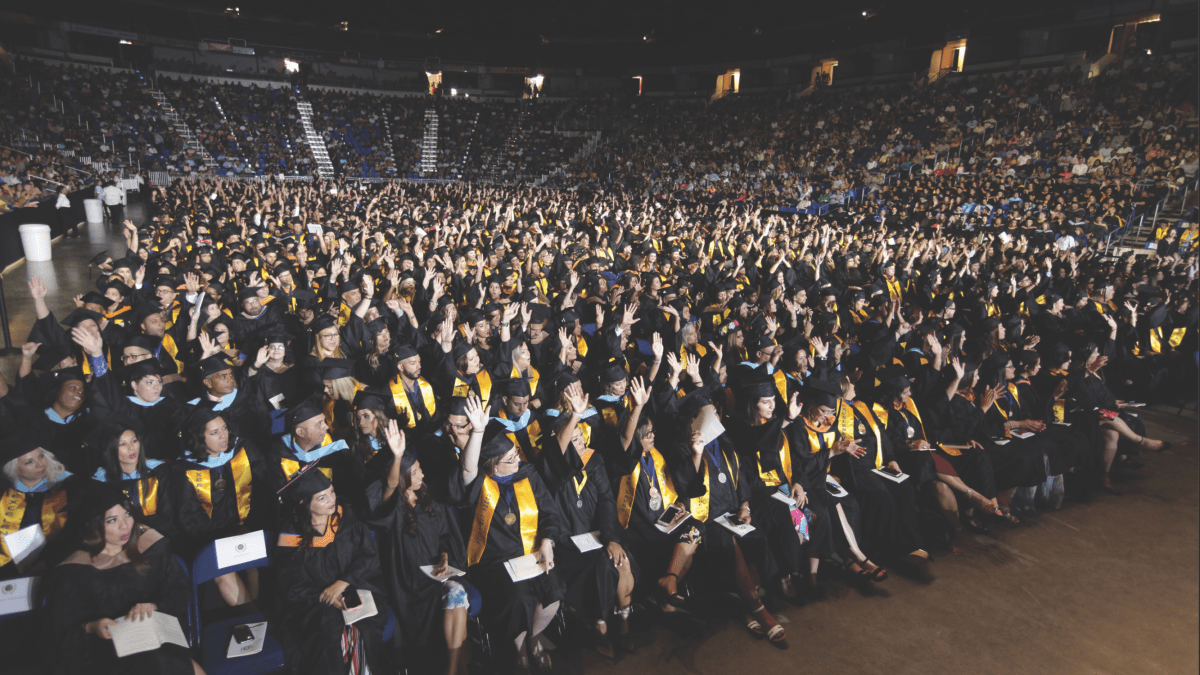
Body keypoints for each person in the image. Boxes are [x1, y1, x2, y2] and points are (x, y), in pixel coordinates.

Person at [40, 484, 201, 675]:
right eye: (112, 520)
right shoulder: (74, 571)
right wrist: (91, 627)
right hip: (103, 652)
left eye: (127, 514)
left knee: (172, 662)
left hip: (155, 638)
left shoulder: (150, 548)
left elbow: (177, 589)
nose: (124, 525)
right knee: (164, 663)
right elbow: (60, 631)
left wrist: (154, 605)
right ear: (92, 526)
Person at [461, 432, 564, 672]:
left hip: (531, 553)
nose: (517, 460)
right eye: (510, 459)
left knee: (554, 589)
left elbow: (550, 513)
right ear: (493, 465)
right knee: (517, 597)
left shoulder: (529, 475)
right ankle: (519, 649)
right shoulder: (478, 485)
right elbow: (466, 473)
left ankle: (534, 638)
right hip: (494, 561)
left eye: (516, 453)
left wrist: (548, 541)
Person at [276, 468, 394, 675]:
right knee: (332, 632)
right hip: (313, 603)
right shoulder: (291, 535)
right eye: (322, 498)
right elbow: (293, 584)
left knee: (362, 627)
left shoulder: (347, 518)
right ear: (304, 503)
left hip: (356, 587)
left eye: (332, 491)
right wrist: (328, 597)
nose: (331, 500)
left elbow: (368, 557)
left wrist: (342, 583)